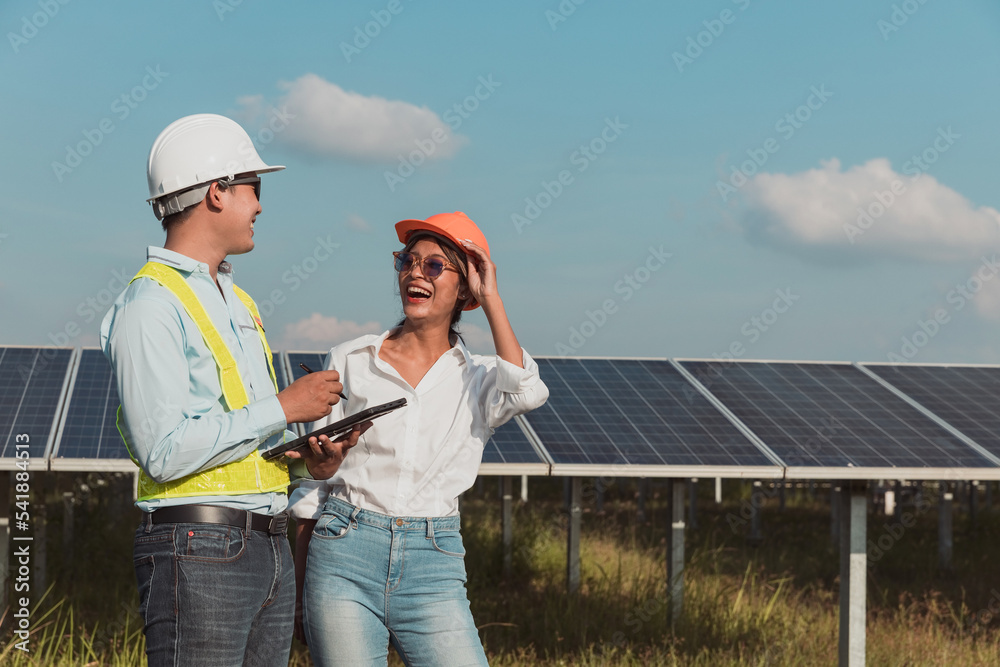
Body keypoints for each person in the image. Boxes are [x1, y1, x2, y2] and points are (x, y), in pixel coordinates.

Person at [101, 113, 364, 667]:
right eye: (254, 188)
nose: (261, 206)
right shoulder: (151, 305)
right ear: (216, 191)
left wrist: (304, 465)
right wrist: (285, 406)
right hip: (198, 551)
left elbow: (240, 439)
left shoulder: (241, 304)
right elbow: (164, 451)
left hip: (268, 543)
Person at [289, 211, 549, 666]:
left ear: (464, 287)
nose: (415, 272)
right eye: (408, 261)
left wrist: (491, 297)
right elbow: (312, 488)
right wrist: (297, 591)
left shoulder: (482, 379)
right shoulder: (350, 359)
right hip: (343, 550)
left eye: (434, 265)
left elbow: (528, 391)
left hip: (434, 562)